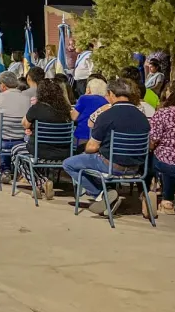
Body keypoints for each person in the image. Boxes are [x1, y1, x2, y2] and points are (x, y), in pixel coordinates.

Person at [62, 78, 151, 216]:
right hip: (136, 167)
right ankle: (107, 194)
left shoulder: (106, 116)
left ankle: (102, 194)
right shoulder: (142, 117)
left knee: (69, 163)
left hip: (110, 165)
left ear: (111, 94)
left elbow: (91, 147)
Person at [10, 79, 72, 199]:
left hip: (40, 151)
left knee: (16, 151)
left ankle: (40, 182)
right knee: (27, 153)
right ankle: (41, 184)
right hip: (63, 152)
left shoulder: (37, 108)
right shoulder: (66, 110)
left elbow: (25, 124)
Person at [149, 80, 175, 216]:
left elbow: (153, 140)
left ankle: (165, 199)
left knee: (163, 159)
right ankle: (167, 199)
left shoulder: (162, 113)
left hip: (165, 161)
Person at [71, 77, 109, 144]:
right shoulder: (107, 101)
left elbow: (73, 117)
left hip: (82, 137)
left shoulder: (83, 98)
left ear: (88, 89)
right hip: (99, 139)